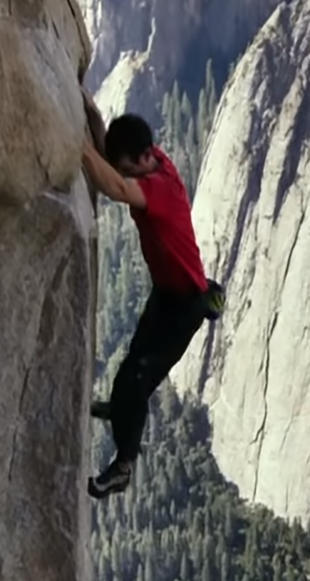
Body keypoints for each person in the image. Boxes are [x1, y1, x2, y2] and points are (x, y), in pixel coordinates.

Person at [77, 92, 223, 499]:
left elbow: (116, 187)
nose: (125, 172)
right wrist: (93, 120)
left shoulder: (158, 187)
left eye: (128, 168)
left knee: (138, 379)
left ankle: (122, 468)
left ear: (143, 161)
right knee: (129, 372)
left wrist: (82, 151)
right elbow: (116, 165)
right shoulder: (148, 156)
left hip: (187, 305)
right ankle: (122, 409)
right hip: (167, 294)